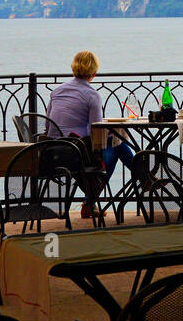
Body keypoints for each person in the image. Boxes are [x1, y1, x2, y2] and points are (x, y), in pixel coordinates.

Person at [45, 50, 143, 217]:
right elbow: (96, 131)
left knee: (115, 147)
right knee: (116, 147)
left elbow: (48, 126)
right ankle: (143, 177)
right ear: (94, 73)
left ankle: (142, 177)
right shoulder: (92, 95)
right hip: (75, 155)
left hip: (52, 153)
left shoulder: (57, 91)